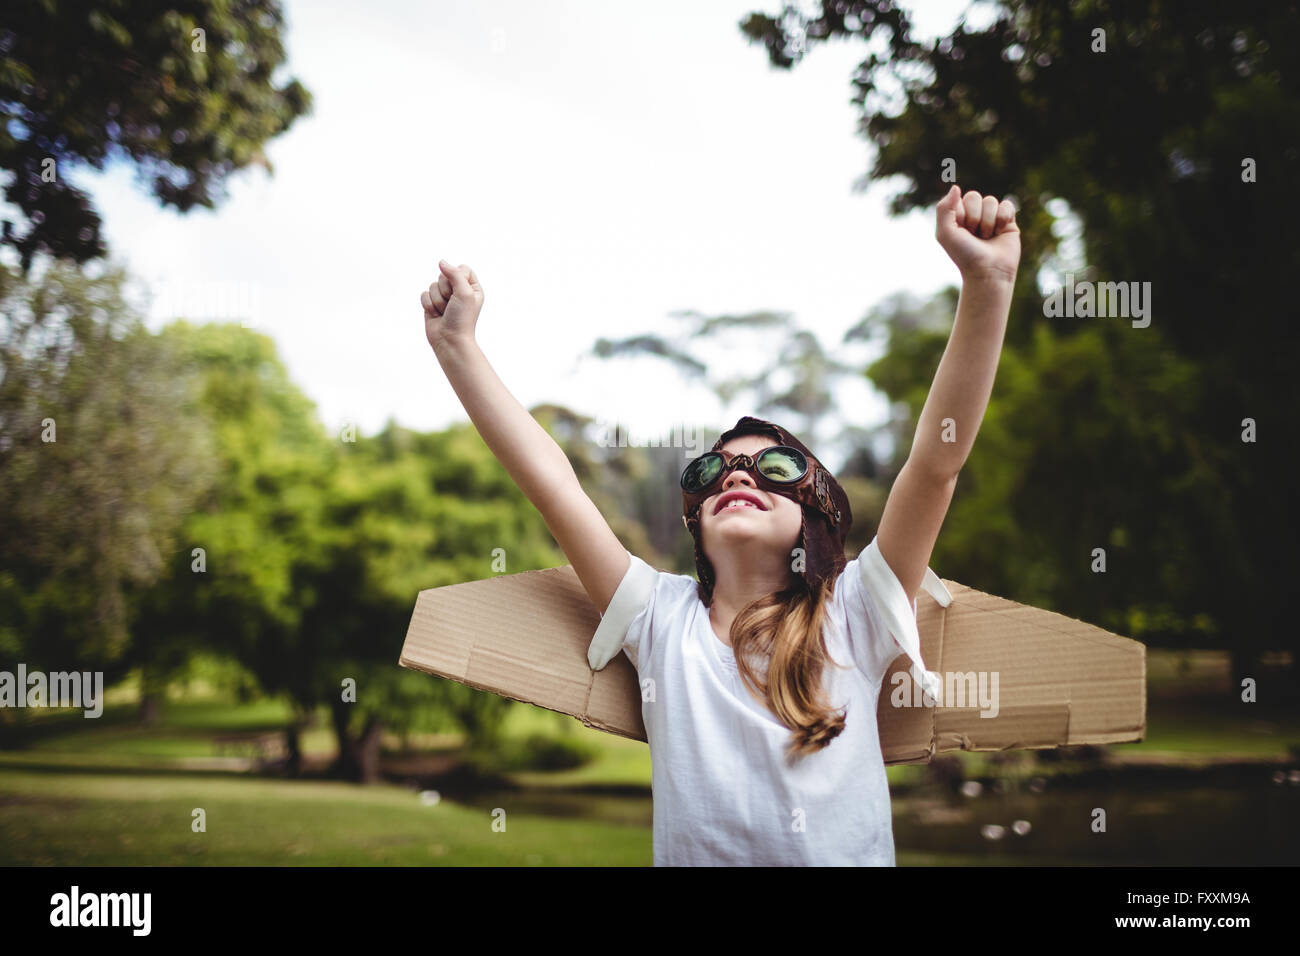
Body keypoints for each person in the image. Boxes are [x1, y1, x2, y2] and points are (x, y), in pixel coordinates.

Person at [420, 185, 1020, 865]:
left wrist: (987, 282)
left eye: (773, 469)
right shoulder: (659, 619)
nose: (737, 476)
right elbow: (554, 484)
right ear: (697, 525)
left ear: (818, 515)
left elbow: (935, 464)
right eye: (712, 473)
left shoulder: (856, 611)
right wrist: (457, 348)